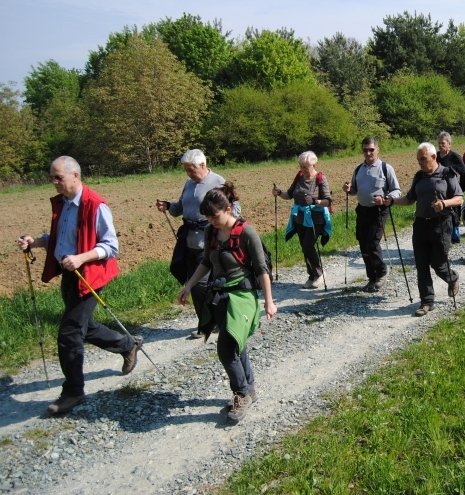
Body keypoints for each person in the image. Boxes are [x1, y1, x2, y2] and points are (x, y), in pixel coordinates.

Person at [17, 156, 141, 415]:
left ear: (75, 176)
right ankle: (127, 344)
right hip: (69, 274)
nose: (54, 182)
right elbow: (60, 238)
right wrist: (35, 242)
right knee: (84, 326)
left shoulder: (95, 205)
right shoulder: (62, 204)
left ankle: (73, 391)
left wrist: (81, 258)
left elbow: (111, 247)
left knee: (70, 333)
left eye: (58, 177)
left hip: (89, 276)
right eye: (52, 177)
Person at [178, 183, 277, 424]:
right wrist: (189, 286)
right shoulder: (211, 233)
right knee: (235, 343)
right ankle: (249, 388)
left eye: (215, 216)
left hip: (242, 298)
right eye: (208, 217)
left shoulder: (246, 233)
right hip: (220, 297)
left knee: (226, 348)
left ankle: (241, 394)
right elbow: (206, 263)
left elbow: (262, 270)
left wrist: (269, 302)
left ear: (229, 209)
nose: (211, 221)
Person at [157, 149, 240, 339]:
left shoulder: (218, 182)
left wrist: (223, 227)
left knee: (201, 283)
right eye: (186, 170)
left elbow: (235, 207)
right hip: (189, 240)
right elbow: (181, 208)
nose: (188, 174)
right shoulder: (189, 183)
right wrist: (169, 206)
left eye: (190, 170)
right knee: (195, 284)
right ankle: (208, 321)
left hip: (209, 240)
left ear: (202, 165)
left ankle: (211, 322)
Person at [391, 143, 462, 317]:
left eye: (423, 159)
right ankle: (426, 301)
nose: (420, 163)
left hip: (441, 223)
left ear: (433, 157)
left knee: (438, 263)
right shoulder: (419, 177)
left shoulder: (446, 174)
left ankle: (452, 278)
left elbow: (459, 198)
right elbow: (409, 199)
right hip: (421, 224)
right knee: (422, 265)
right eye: (418, 160)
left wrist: (444, 203)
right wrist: (390, 201)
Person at [342, 138, 402, 293]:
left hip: (379, 211)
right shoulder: (358, 169)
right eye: (365, 150)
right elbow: (355, 189)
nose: (368, 153)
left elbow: (396, 190)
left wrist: (385, 199)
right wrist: (349, 189)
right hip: (362, 210)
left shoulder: (385, 168)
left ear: (378, 149)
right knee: (363, 245)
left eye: (371, 150)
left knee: (372, 243)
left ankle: (382, 272)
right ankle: (372, 278)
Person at [272, 151, 332, 289]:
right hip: (299, 218)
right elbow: (290, 195)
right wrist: (279, 193)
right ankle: (312, 276)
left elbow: (328, 201)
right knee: (304, 247)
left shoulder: (321, 178)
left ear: (314, 164)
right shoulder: (299, 177)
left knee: (308, 246)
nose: (303, 170)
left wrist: (314, 201)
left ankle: (320, 273)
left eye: (306, 167)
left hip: (316, 219)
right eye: (301, 167)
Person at [437, 131, 465, 244]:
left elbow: (464, 171)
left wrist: (460, 188)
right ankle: (442, 236)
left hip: (451, 189)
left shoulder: (455, 157)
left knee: (454, 212)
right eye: (439, 143)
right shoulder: (436, 156)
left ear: (449, 144)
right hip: (439, 189)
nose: (440, 145)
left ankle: (455, 235)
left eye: (443, 143)